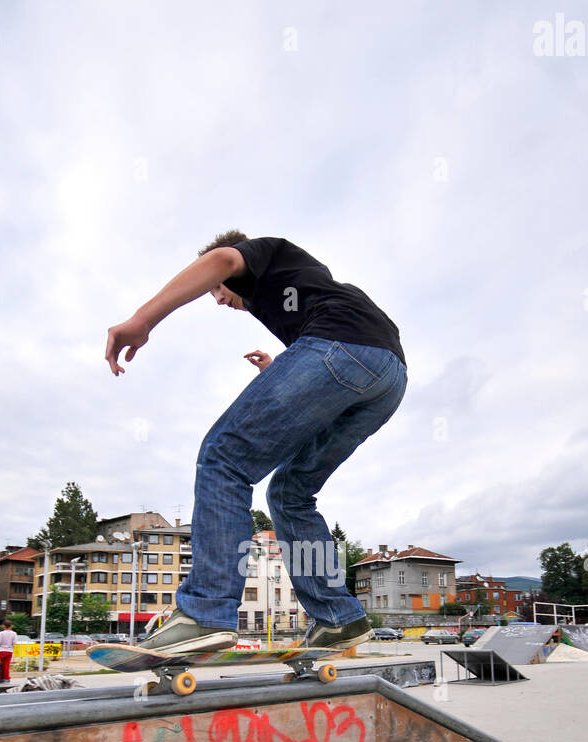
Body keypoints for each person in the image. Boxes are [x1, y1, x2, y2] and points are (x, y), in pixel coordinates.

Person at [105, 232, 407, 656]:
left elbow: (223, 261)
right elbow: (331, 364)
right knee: (290, 493)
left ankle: (204, 614)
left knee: (224, 459)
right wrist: (279, 369)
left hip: (341, 349)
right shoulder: (303, 287)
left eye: (217, 291)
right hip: (387, 378)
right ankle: (338, 617)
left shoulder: (261, 254)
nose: (218, 299)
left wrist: (143, 320)